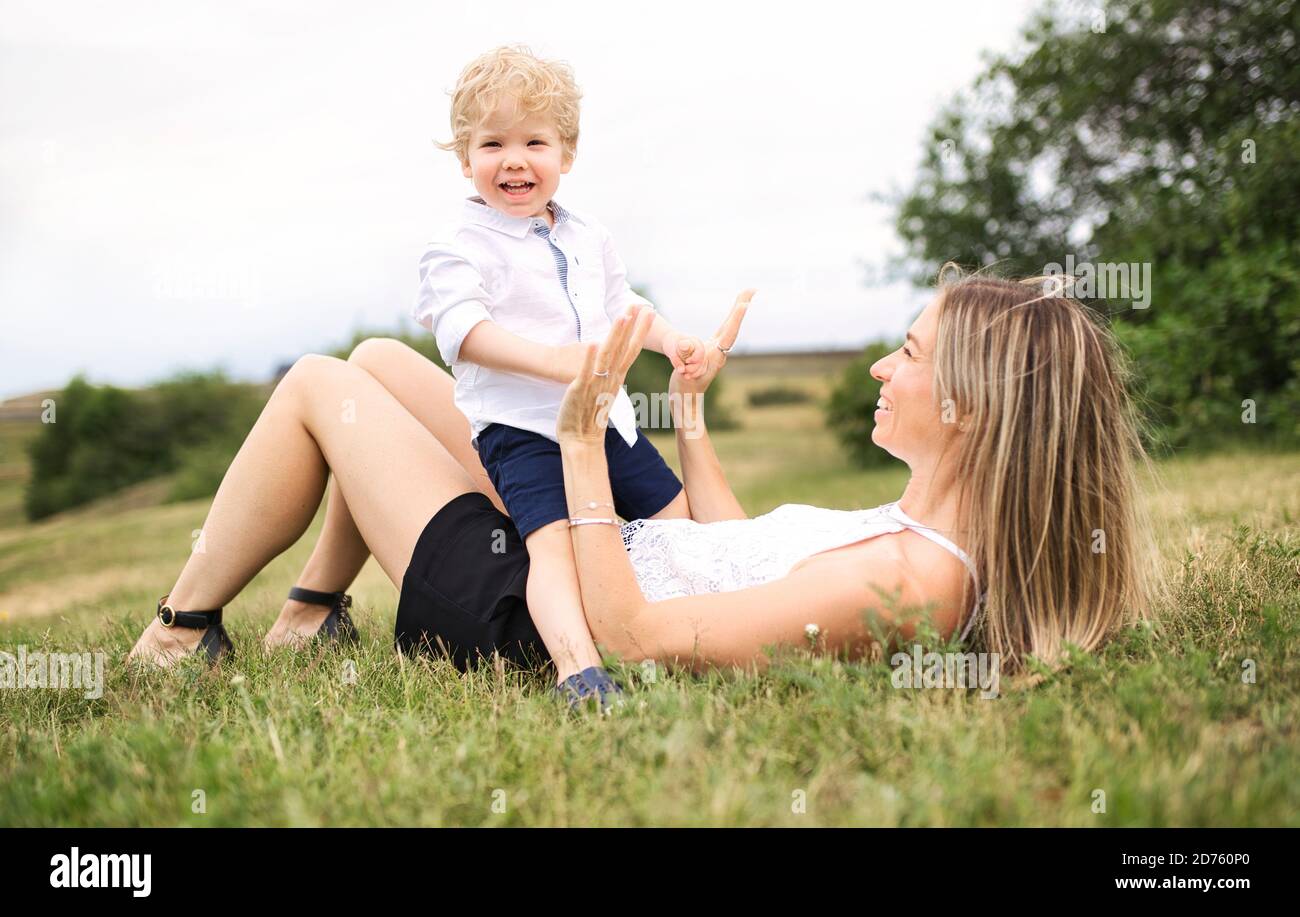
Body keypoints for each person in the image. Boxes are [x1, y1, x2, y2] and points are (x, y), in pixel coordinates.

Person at [128, 272, 1153, 706]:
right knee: (380, 362)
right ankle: (311, 615)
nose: (882, 368)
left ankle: (183, 628)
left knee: (322, 387)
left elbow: (633, 641)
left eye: (909, 352)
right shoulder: (913, 534)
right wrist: (689, 412)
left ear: (970, 407)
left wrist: (577, 447)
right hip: (585, 556)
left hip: (529, 615)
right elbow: (740, 557)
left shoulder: (916, 579)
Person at [412, 46, 711, 706]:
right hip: (524, 431)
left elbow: (623, 306)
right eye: (492, 143)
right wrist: (559, 363)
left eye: (534, 141)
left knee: (676, 517)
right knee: (553, 547)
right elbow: (462, 331)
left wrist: (669, 340)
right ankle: (577, 671)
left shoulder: (587, 234)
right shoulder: (459, 242)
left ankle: (700, 621)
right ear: (466, 159)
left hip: (606, 420)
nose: (514, 159)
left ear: (565, 154)